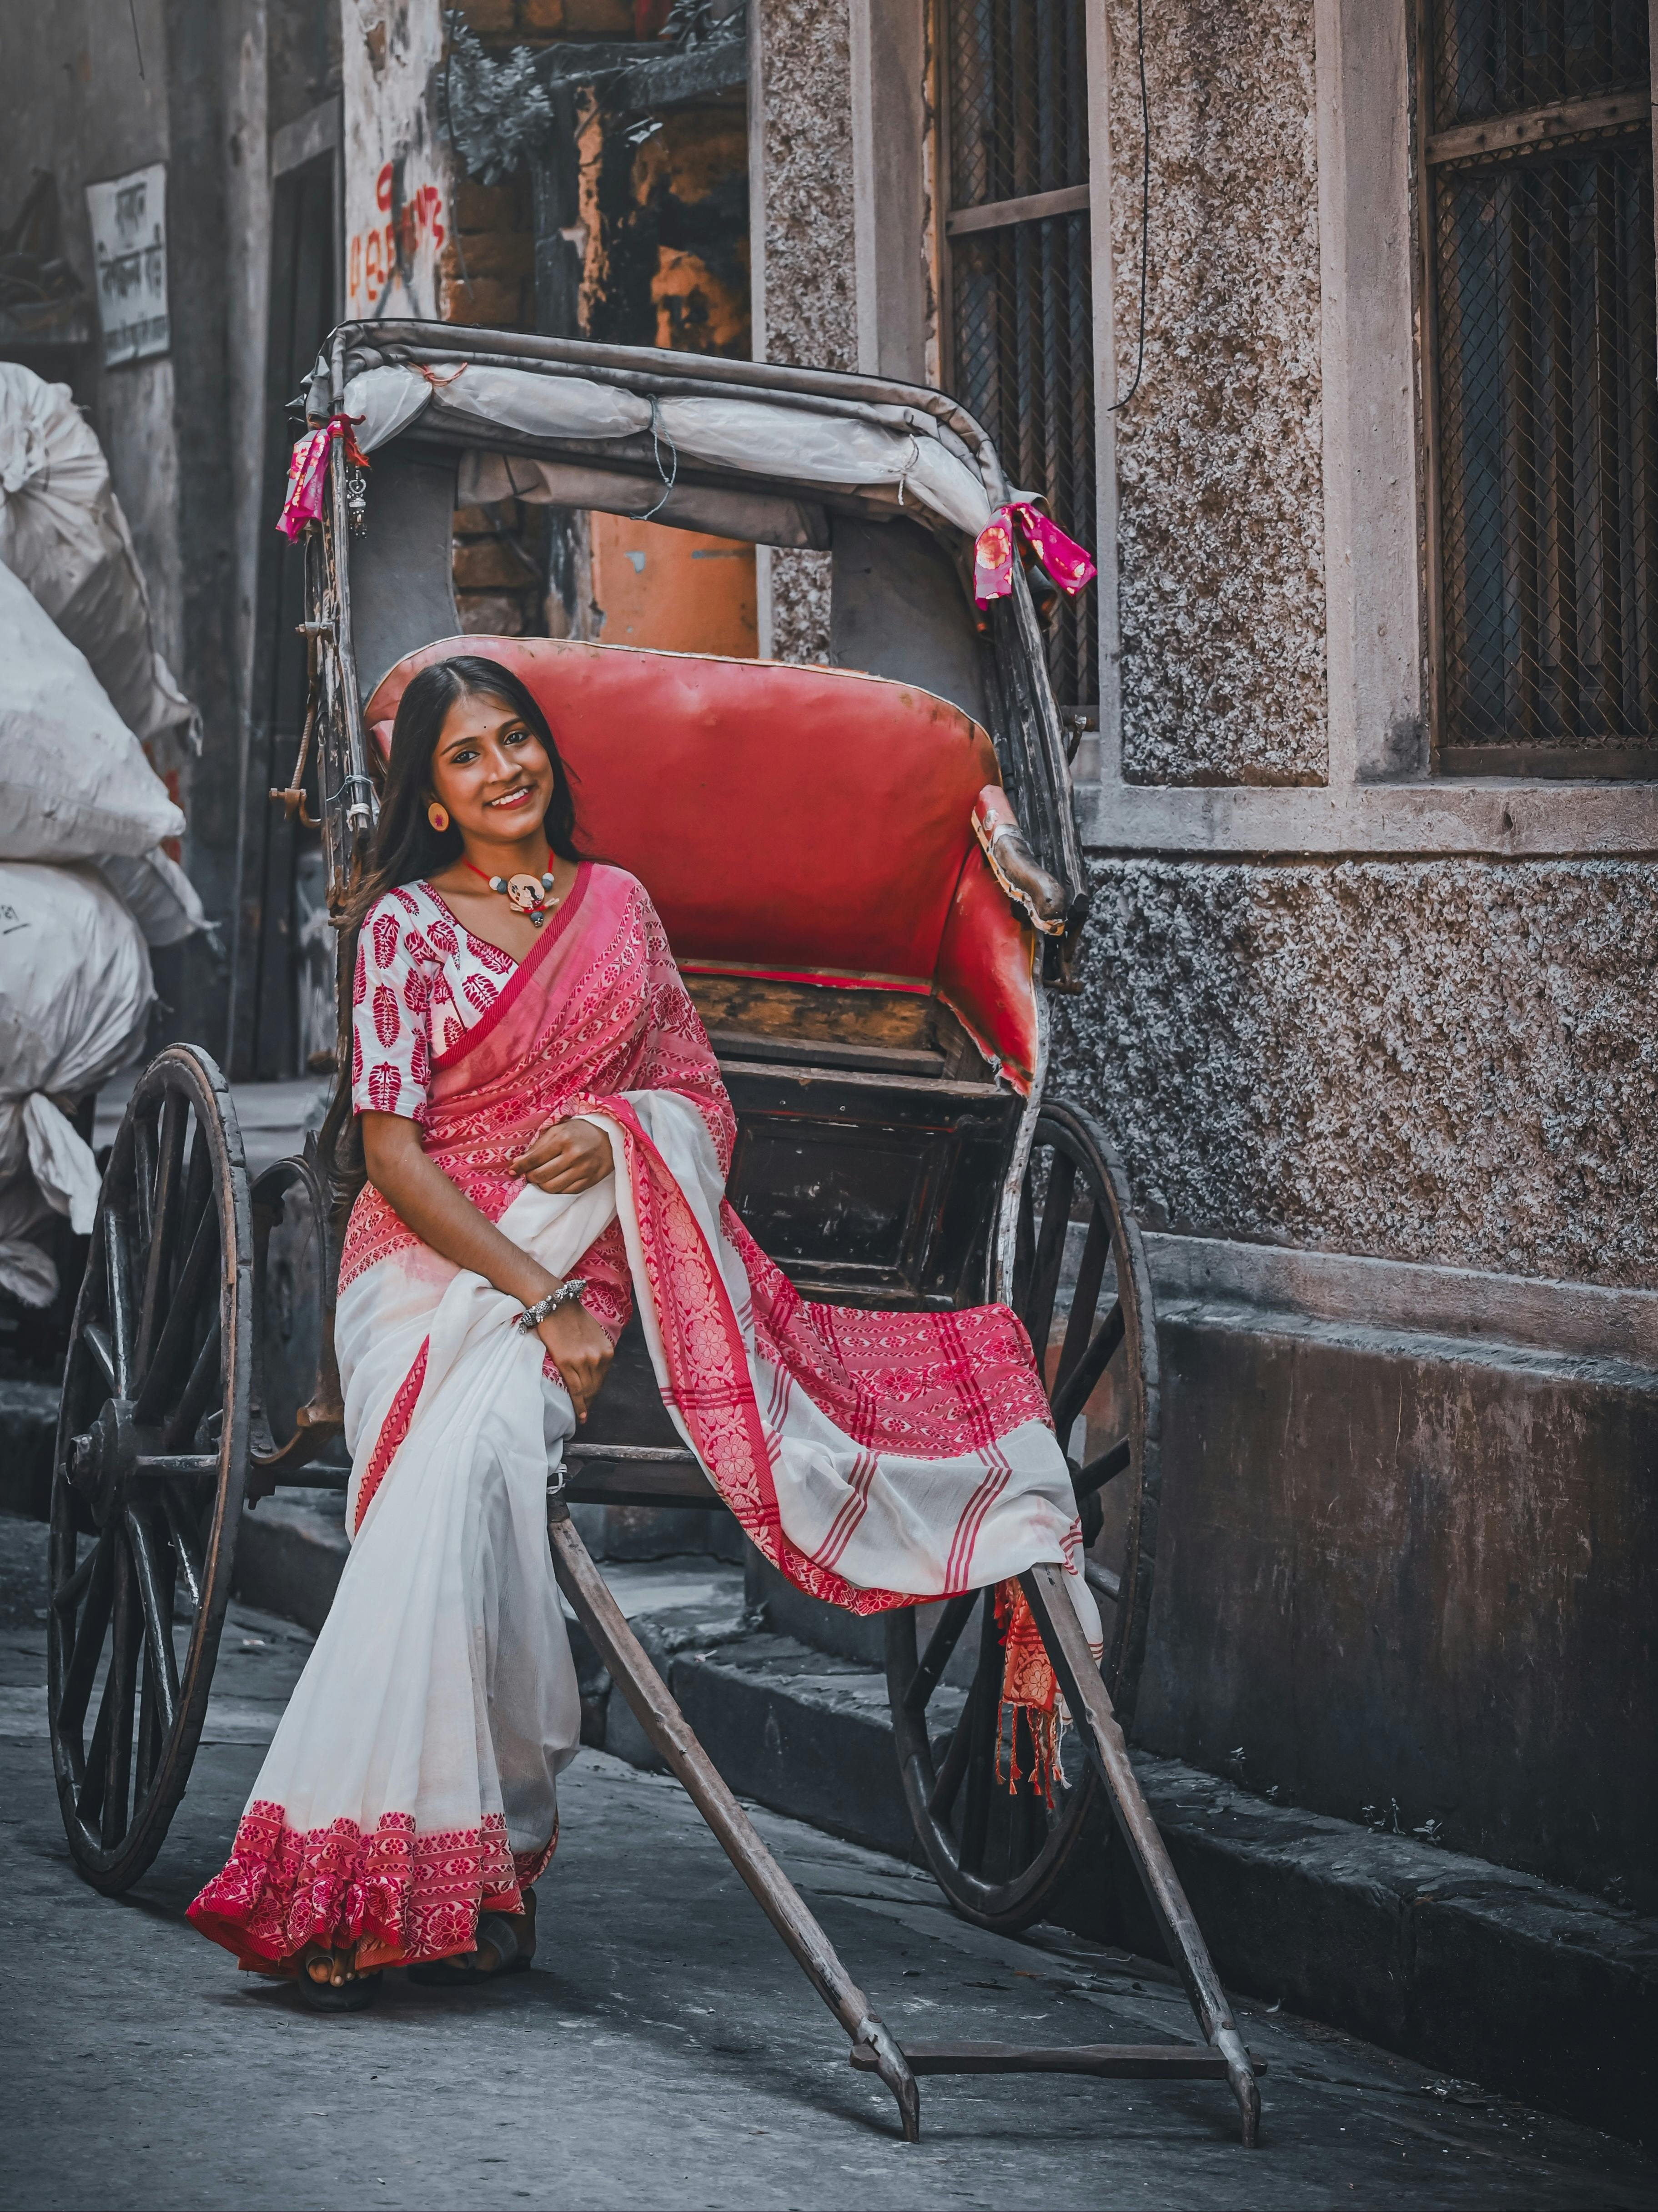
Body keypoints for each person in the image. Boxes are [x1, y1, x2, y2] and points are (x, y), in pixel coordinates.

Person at [188, 654, 1097, 2007]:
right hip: (435, 1269)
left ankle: (440, 1858)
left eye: (518, 741)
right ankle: (439, 1852)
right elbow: (391, 1155)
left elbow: (698, 1101)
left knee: (489, 1444)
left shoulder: (619, 910)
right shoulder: (404, 932)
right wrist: (534, 1295)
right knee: (483, 1443)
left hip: (597, 1256)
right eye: (467, 756)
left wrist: (619, 1135)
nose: (505, 770)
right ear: (431, 800)